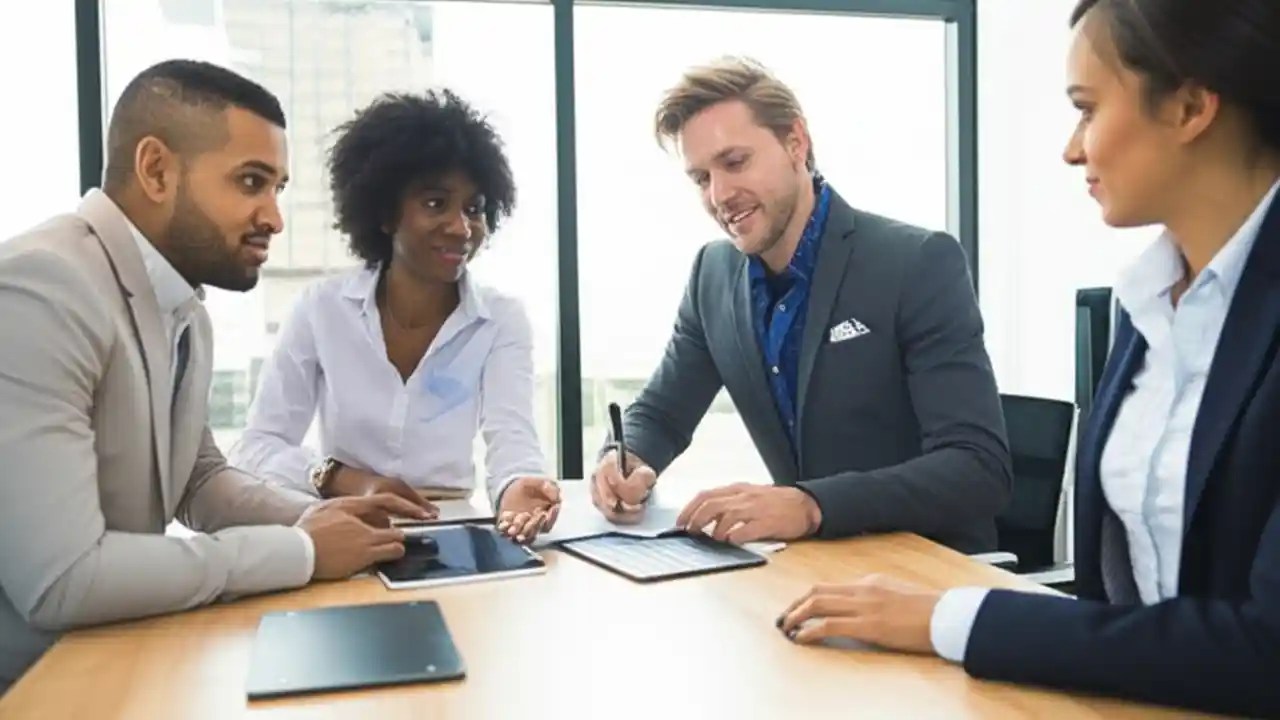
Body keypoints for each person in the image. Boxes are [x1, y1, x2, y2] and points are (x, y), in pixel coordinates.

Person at [778, 0, 1280, 715]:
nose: (1073, 149)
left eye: (1087, 109)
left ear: (1191, 106)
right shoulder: (1148, 304)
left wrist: (949, 617)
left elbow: (1265, 648)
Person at [0, 60, 430, 692]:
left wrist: (317, 519)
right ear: (155, 169)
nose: (274, 218)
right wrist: (302, 553)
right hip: (30, 681)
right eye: (251, 182)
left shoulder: (183, 309)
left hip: (113, 652)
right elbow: (62, 579)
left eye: (277, 188)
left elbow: (197, 479)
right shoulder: (43, 288)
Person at [588, 57, 1011, 552]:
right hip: (813, 571)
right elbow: (661, 414)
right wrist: (624, 459)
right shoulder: (713, 275)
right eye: (701, 178)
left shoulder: (916, 263)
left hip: (928, 573)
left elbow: (977, 467)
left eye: (735, 162)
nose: (720, 194)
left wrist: (810, 504)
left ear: (796, 142)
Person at [229, 90, 560, 543]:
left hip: (450, 531)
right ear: (385, 213)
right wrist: (341, 478)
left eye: (474, 208)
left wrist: (517, 488)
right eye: (435, 203)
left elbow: (512, 439)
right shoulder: (321, 310)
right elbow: (255, 446)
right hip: (343, 528)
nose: (461, 228)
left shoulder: (501, 321)